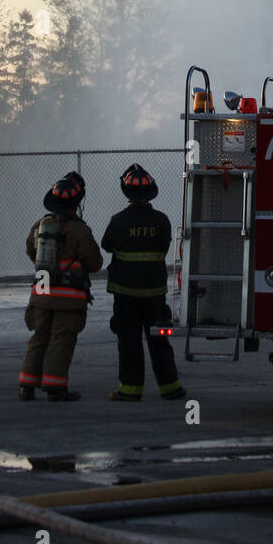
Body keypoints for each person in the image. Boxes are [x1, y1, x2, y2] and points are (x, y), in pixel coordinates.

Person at [101, 165, 185, 402]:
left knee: (129, 340)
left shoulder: (118, 220)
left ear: (126, 192)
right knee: (159, 339)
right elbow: (163, 246)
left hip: (125, 294)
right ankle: (170, 388)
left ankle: (130, 390)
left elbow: (107, 245)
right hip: (154, 294)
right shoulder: (161, 220)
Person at [18, 175, 102, 401]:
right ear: (76, 204)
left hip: (41, 292)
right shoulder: (79, 231)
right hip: (69, 296)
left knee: (39, 336)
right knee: (61, 339)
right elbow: (95, 263)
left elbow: (30, 251)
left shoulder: (40, 226)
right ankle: (55, 387)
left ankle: (27, 385)